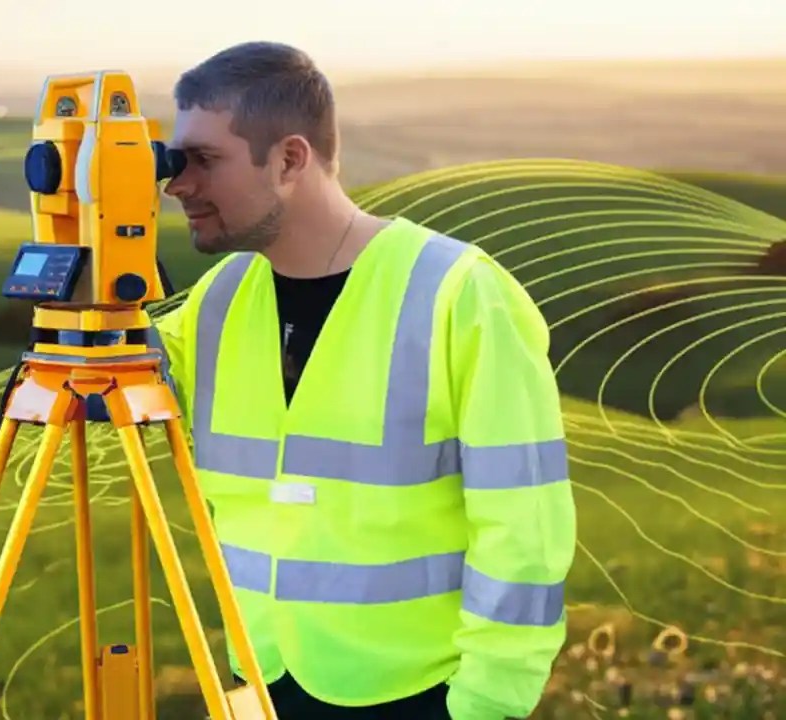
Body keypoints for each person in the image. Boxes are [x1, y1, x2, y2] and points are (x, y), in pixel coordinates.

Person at [146, 41, 578, 720]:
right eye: (175, 161)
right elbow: (124, 379)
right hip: (260, 678)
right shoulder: (219, 299)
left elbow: (525, 527)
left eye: (203, 161)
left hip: (420, 694)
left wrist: (487, 703)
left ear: (289, 159)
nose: (177, 185)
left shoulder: (458, 294)